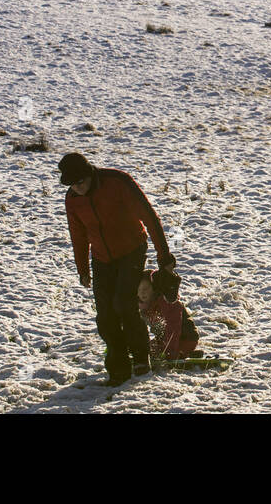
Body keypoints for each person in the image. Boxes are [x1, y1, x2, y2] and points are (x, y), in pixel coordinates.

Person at [60, 152, 176, 386]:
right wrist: (82, 268)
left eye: (80, 182)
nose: (77, 188)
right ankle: (118, 366)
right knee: (105, 315)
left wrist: (164, 255)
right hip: (101, 257)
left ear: (89, 174)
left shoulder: (117, 182)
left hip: (132, 249)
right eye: (72, 184)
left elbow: (149, 217)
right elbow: (78, 235)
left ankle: (141, 357)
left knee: (124, 303)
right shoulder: (72, 199)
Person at [137, 268, 202, 362]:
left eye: (146, 288)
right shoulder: (144, 306)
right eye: (138, 289)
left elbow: (173, 328)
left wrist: (169, 353)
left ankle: (186, 354)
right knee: (150, 349)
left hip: (185, 339)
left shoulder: (166, 302)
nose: (142, 292)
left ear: (154, 288)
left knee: (167, 353)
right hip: (164, 339)